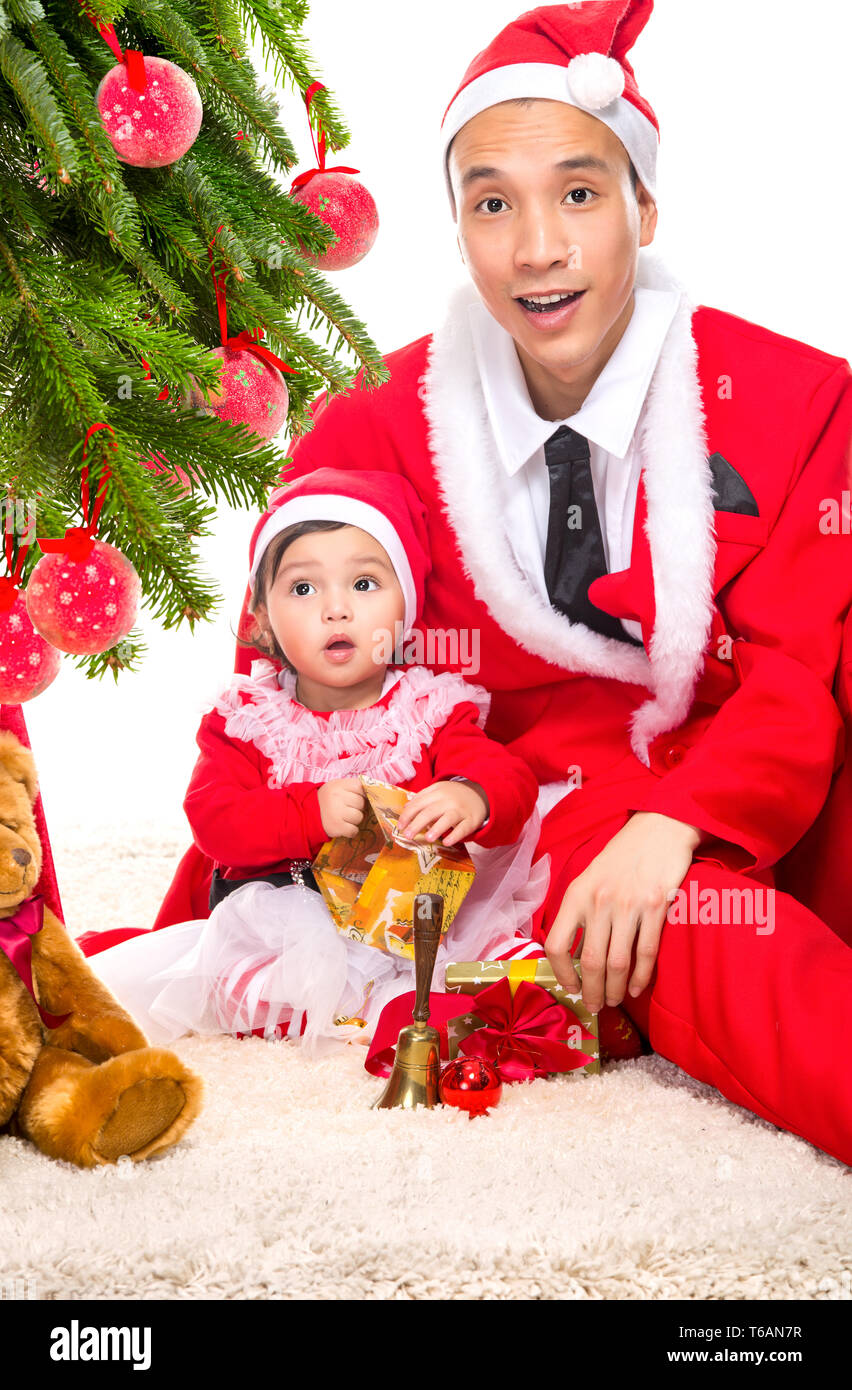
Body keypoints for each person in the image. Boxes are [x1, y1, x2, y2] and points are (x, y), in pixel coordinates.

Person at [143, 1, 852, 1164]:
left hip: (724, 796)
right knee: (706, 945)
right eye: (491, 203)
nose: (536, 250)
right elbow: (277, 702)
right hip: (485, 841)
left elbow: (796, 680)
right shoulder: (373, 425)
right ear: (459, 228)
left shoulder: (795, 399)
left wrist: (675, 823)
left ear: (645, 208)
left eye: (578, 194)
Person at [86, 468, 550, 1052]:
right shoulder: (250, 719)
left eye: (364, 584)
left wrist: (471, 795)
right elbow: (214, 820)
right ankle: (387, 1019)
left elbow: (509, 776)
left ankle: (481, 1008)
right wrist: (306, 815)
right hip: (283, 922)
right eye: (303, 589)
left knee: (501, 957)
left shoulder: (428, 709)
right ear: (261, 617)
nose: (336, 609)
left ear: (406, 605)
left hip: (405, 918)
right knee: (236, 986)